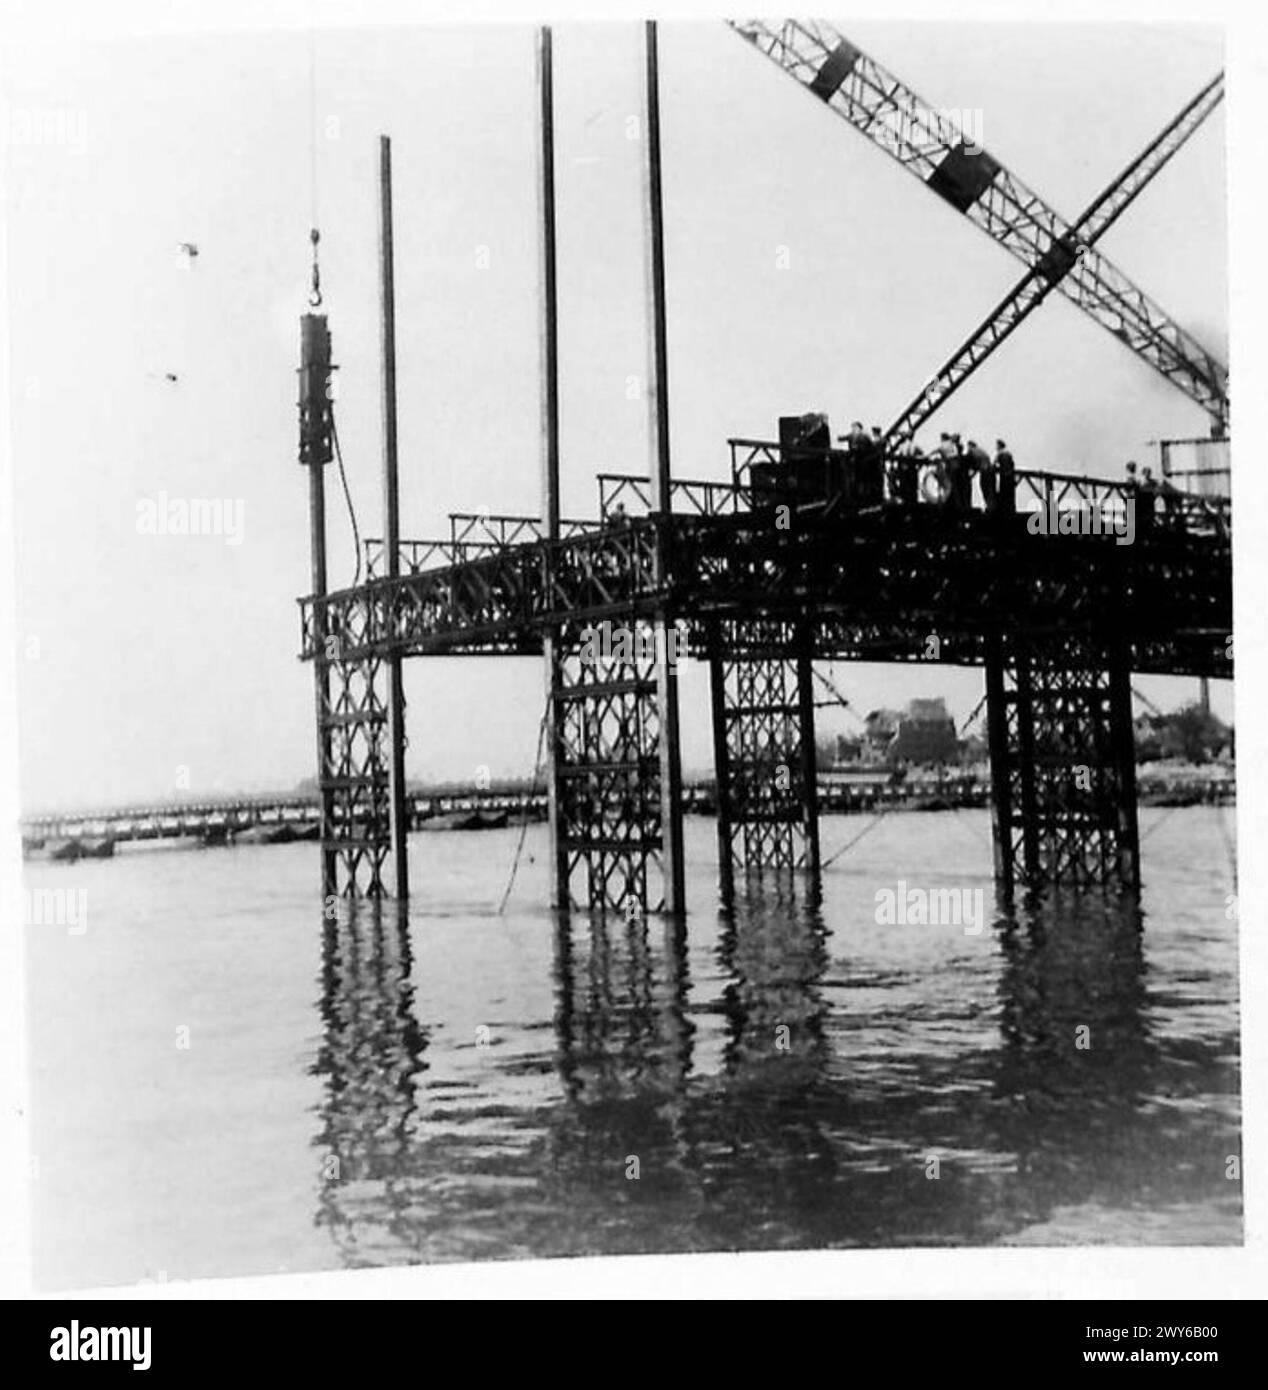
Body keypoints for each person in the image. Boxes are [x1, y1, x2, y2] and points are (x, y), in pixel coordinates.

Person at [965, 439, 992, 510]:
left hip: (984, 471)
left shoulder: (972, 451)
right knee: (988, 490)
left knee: (984, 487)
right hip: (990, 471)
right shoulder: (981, 450)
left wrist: (970, 476)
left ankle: (987, 506)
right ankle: (989, 506)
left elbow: (971, 463)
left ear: (970, 446)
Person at [994, 439, 1016, 515]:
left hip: (1004, 476)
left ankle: (1004, 509)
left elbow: (994, 463)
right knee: (1010, 494)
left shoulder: (1000, 454)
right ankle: (1011, 509)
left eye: (997, 445)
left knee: (1003, 493)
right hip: (1011, 476)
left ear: (999, 446)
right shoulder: (1009, 454)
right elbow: (1012, 464)